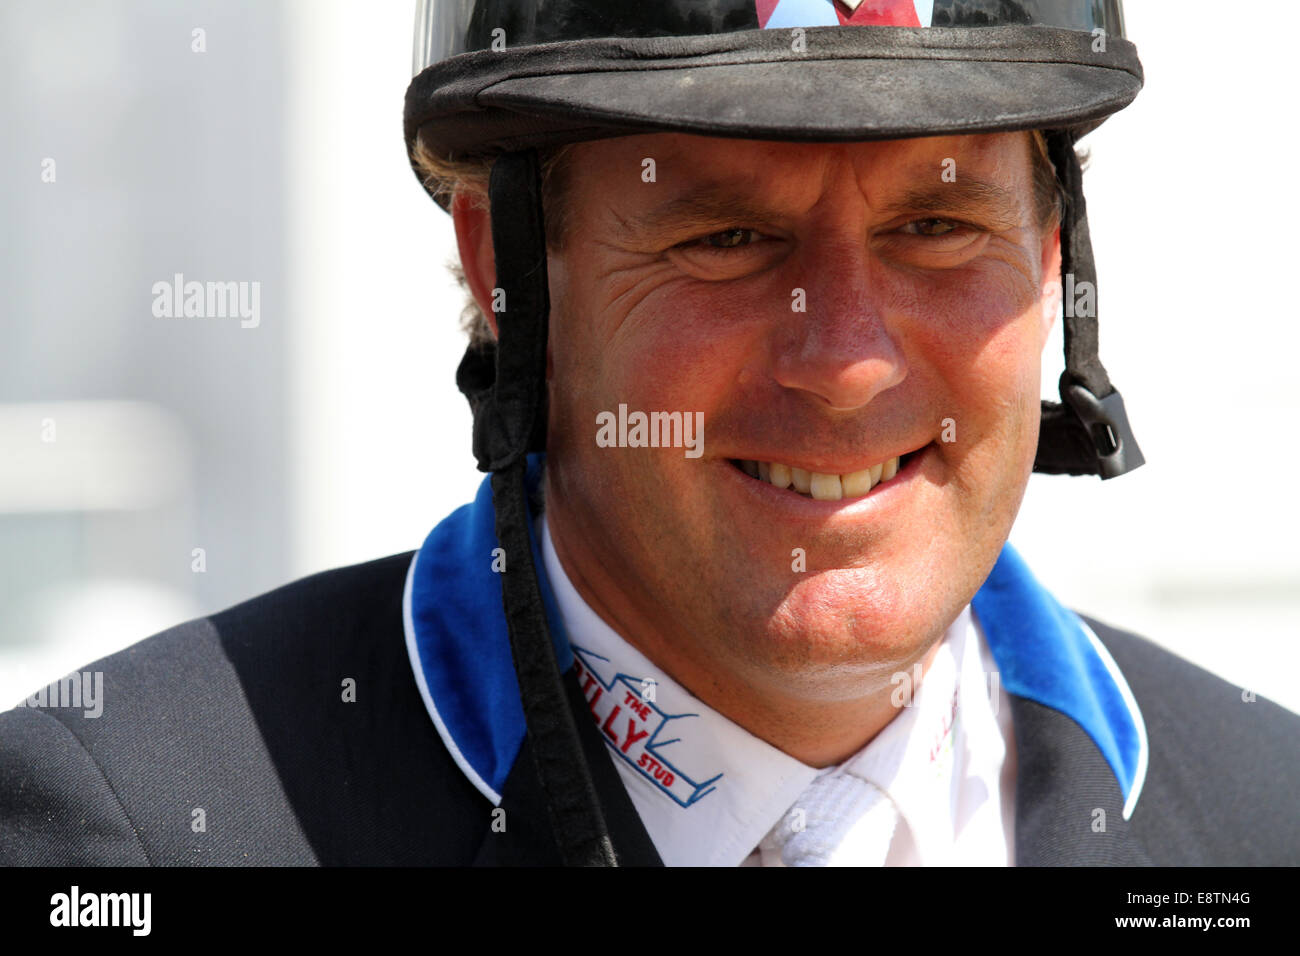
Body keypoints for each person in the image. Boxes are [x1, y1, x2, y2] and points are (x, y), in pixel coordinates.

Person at [2, 0, 1297, 867]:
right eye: (727, 238)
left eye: (935, 226)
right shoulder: (145, 826)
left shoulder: (1261, 817)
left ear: (1051, 251)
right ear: (510, 280)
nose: (845, 365)